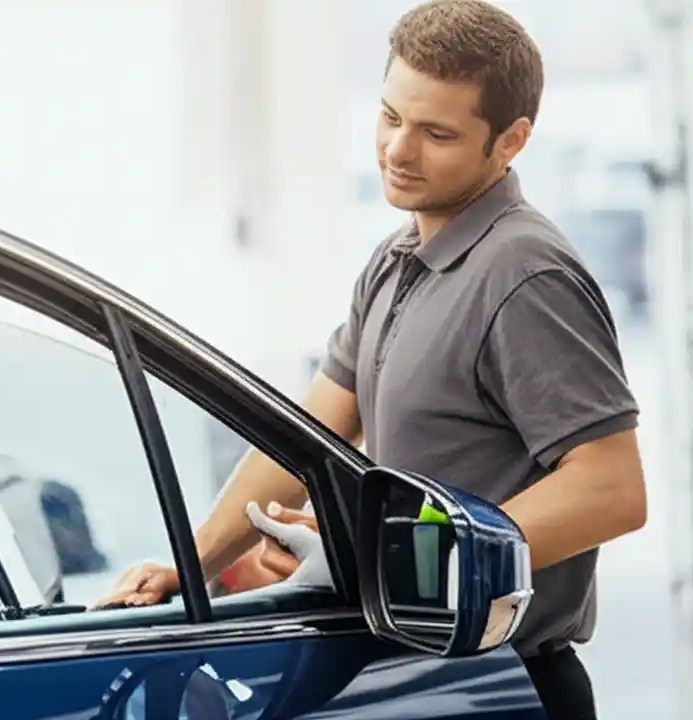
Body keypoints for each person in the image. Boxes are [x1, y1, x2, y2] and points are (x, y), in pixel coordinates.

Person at [93, 1, 646, 717]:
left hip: (505, 687)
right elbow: (302, 443)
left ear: (511, 141)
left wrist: (402, 556)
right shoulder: (396, 258)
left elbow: (611, 490)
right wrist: (194, 565)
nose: (397, 150)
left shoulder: (524, 275)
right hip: (416, 678)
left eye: (437, 133)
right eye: (390, 117)